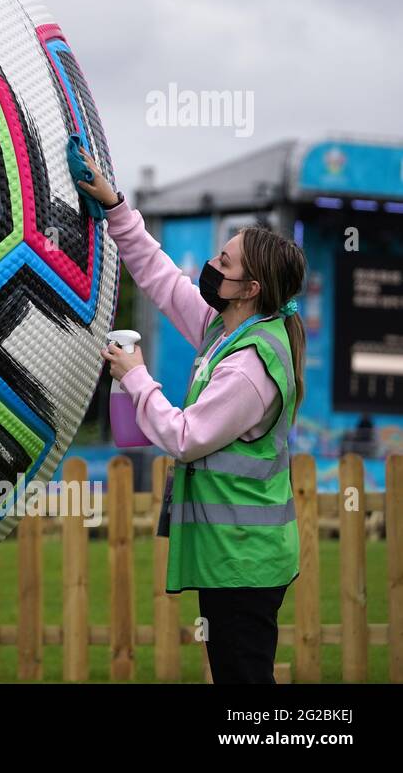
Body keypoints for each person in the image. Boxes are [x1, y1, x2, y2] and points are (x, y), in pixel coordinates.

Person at [76, 147, 305, 684]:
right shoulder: (229, 329)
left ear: (250, 291)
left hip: (244, 562)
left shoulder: (249, 367)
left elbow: (185, 436)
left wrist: (134, 375)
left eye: (224, 264)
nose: (210, 267)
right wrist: (117, 208)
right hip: (233, 555)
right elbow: (160, 277)